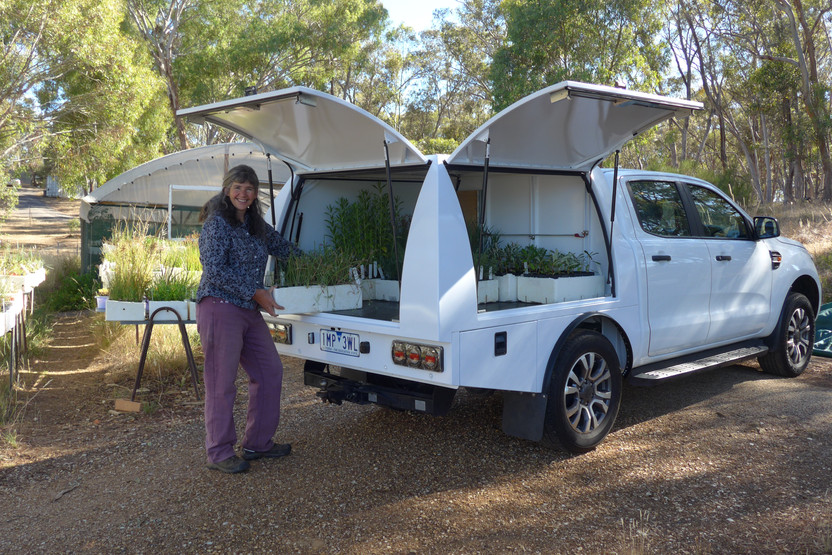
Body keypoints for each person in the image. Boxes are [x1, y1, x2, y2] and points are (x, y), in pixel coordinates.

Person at [196, 164, 299, 474]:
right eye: (238, 187)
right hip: (220, 307)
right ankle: (219, 452)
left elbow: (286, 249)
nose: (244, 193)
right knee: (221, 383)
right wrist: (256, 292)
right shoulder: (217, 224)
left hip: (249, 310)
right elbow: (215, 270)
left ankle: (257, 443)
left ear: (255, 195)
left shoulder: (256, 225)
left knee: (270, 371)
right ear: (228, 190)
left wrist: (327, 263)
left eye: (250, 189)